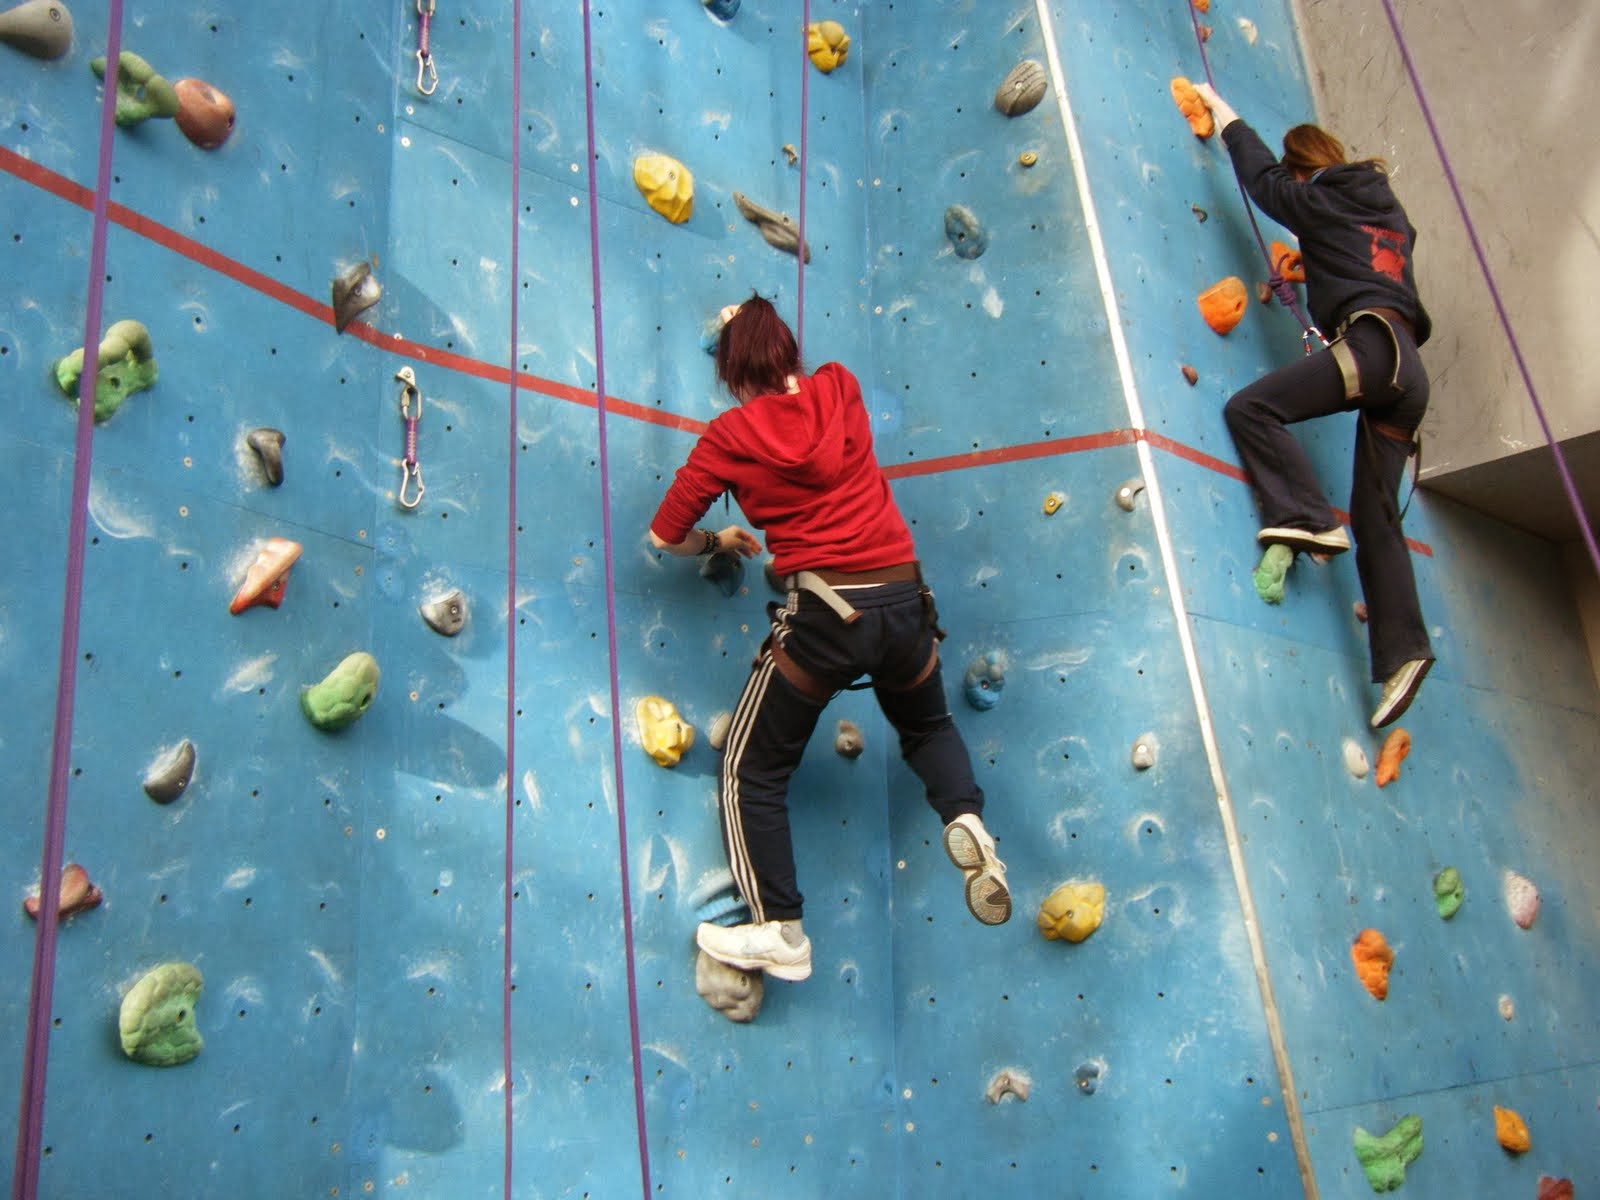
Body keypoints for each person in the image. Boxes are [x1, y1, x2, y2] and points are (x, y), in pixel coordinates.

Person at [648, 295, 1010, 983]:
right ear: (787, 349)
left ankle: (779, 929)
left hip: (827, 613)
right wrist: (752, 322)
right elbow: (806, 421)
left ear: (729, 371)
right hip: (905, 598)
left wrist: (715, 540)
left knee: (752, 768)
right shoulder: (840, 386)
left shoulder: (728, 436)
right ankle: (970, 826)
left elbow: (666, 535)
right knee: (928, 727)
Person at [1195, 83, 1436, 729]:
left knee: (1251, 409)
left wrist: (1228, 116)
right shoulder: (1388, 215)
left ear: (1307, 167)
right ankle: (1405, 652)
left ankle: (1305, 516)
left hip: (1372, 347)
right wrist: (1321, 274)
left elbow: (1267, 185)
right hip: (1407, 365)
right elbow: (1374, 267)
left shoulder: (1320, 194)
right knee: (1376, 517)